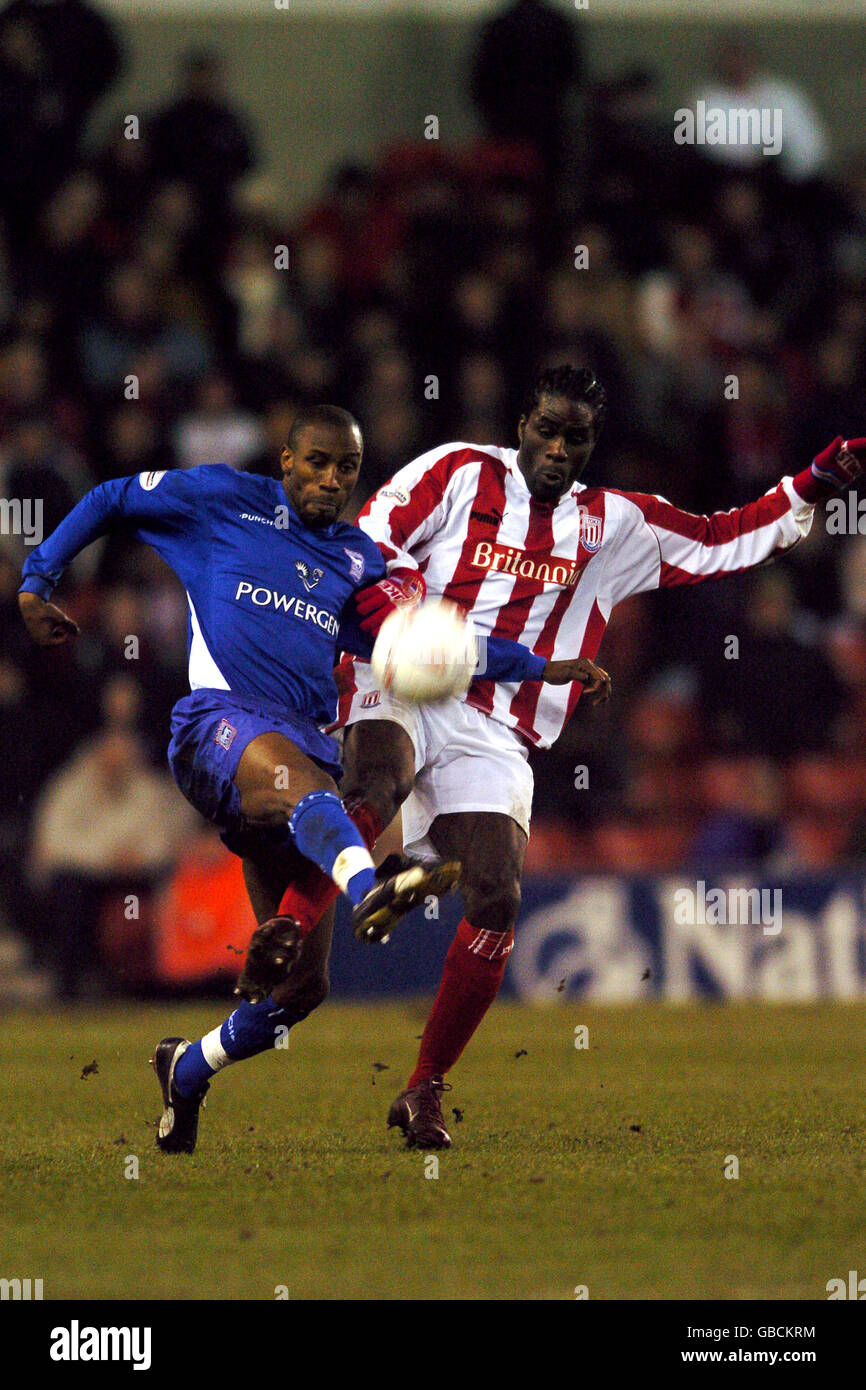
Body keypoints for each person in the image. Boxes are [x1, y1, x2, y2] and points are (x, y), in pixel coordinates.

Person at [278, 363, 864, 1149]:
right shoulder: (456, 471)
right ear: (522, 423)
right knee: (377, 781)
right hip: (406, 680)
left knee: (496, 896)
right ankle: (286, 930)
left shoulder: (615, 525)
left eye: (575, 438)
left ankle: (422, 1088)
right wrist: (421, 623)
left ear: (591, 445)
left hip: (499, 728)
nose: (557, 448)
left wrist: (812, 484)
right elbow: (373, 538)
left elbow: (723, 537)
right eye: (547, 430)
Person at [18, 402, 606, 1153]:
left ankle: (188, 1068)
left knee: (301, 987)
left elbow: (428, 645)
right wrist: (39, 580)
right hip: (219, 728)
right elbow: (111, 498)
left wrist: (538, 666)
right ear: (287, 460)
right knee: (317, 791)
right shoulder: (221, 499)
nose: (331, 480)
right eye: (318, 463)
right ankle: (374, 887)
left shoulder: (361, 561)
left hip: (293, 769)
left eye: (348, 469)